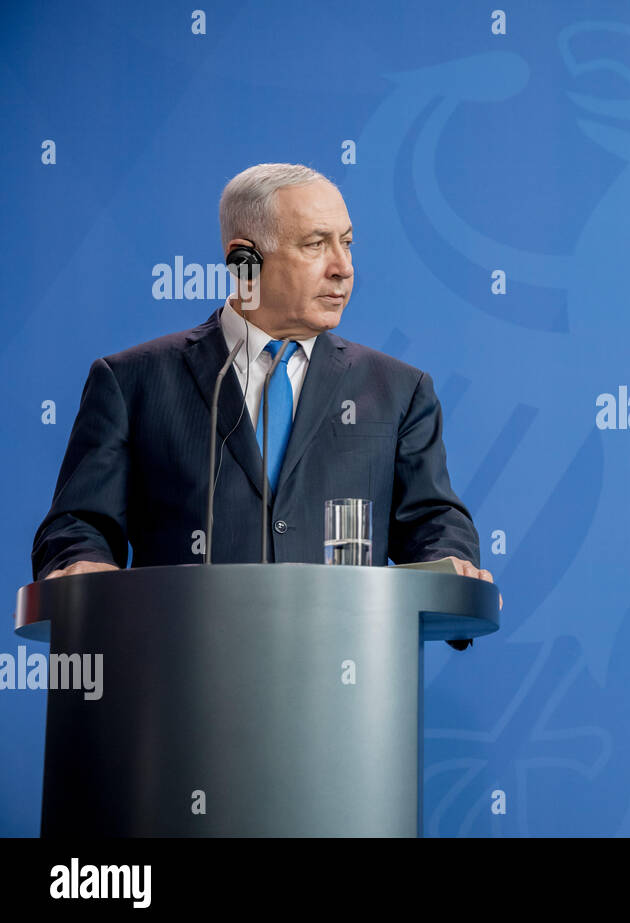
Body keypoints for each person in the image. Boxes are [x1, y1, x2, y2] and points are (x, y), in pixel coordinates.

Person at [32, 164, 494, 616]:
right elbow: (79, 523)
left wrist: (451, 560)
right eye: (316, 245)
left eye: (347, 243)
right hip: (181, 670)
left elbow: (433, 520)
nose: (343, 268)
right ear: (244, 260)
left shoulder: (399, 389)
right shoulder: (133, 381)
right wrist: (78, 562)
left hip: (344, 672)